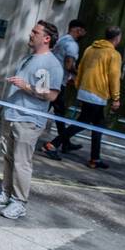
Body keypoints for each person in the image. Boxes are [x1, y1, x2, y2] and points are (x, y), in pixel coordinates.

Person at [0, 19, 62, 221]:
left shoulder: (49, 63)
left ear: (46, 38)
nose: (30, 34)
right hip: (12, 115)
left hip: (28, 119)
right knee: (9, 158)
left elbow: (50, 95)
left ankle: (20, 203)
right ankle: (6, 194)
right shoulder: (29, 58)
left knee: (21, 162)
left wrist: (25, 86)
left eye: (35, 32)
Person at [54, 26, 122, 170]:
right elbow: (114, 77)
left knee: (98, 124)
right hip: (98, 94)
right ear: (117, 38)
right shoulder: (114, 55)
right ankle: (53, 144)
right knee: (83, 122)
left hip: (85, 90)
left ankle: (95, 158)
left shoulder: (90, 49)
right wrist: (116, 98)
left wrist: (78, 84)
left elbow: (82, 67)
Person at [41, 18, 85, 158]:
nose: (84, 34)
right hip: (58, 82)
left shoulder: (62, 40)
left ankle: (64, 142)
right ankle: (55, 144)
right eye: (83, 31)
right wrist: (81, 75)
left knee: (58, 112)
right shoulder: (72, 45)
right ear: (78, 30)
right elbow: (68, 65)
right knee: (54, 111)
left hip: (53, 79)